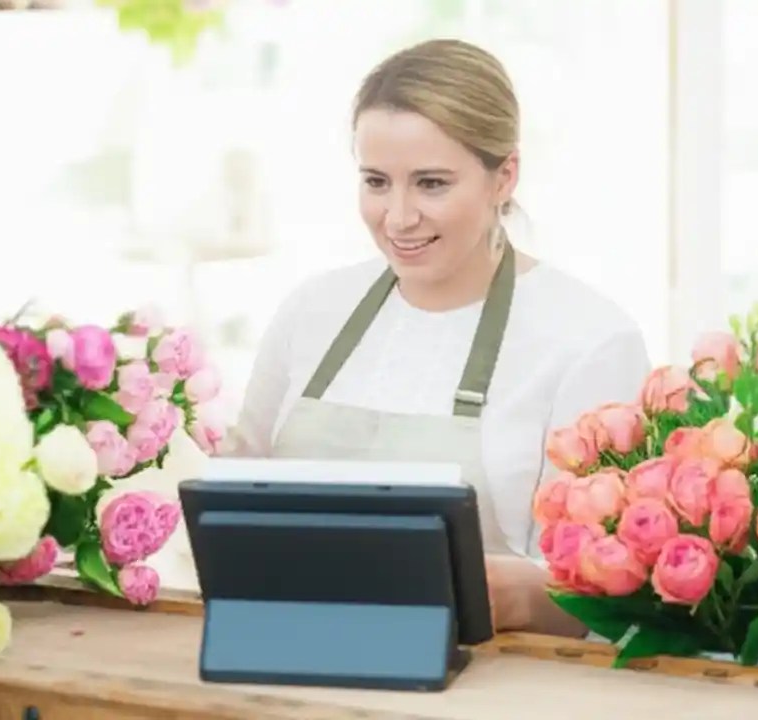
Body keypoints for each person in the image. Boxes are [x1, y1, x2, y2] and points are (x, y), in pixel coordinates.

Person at [226, 39, 652, 637]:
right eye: (377, 182)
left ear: (504, 175)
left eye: (431, 184)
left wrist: (520, 596)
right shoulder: (312, 311)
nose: (398, 217)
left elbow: (614, 597)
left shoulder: (589, 340)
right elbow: (232, 498)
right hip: (288, 652)